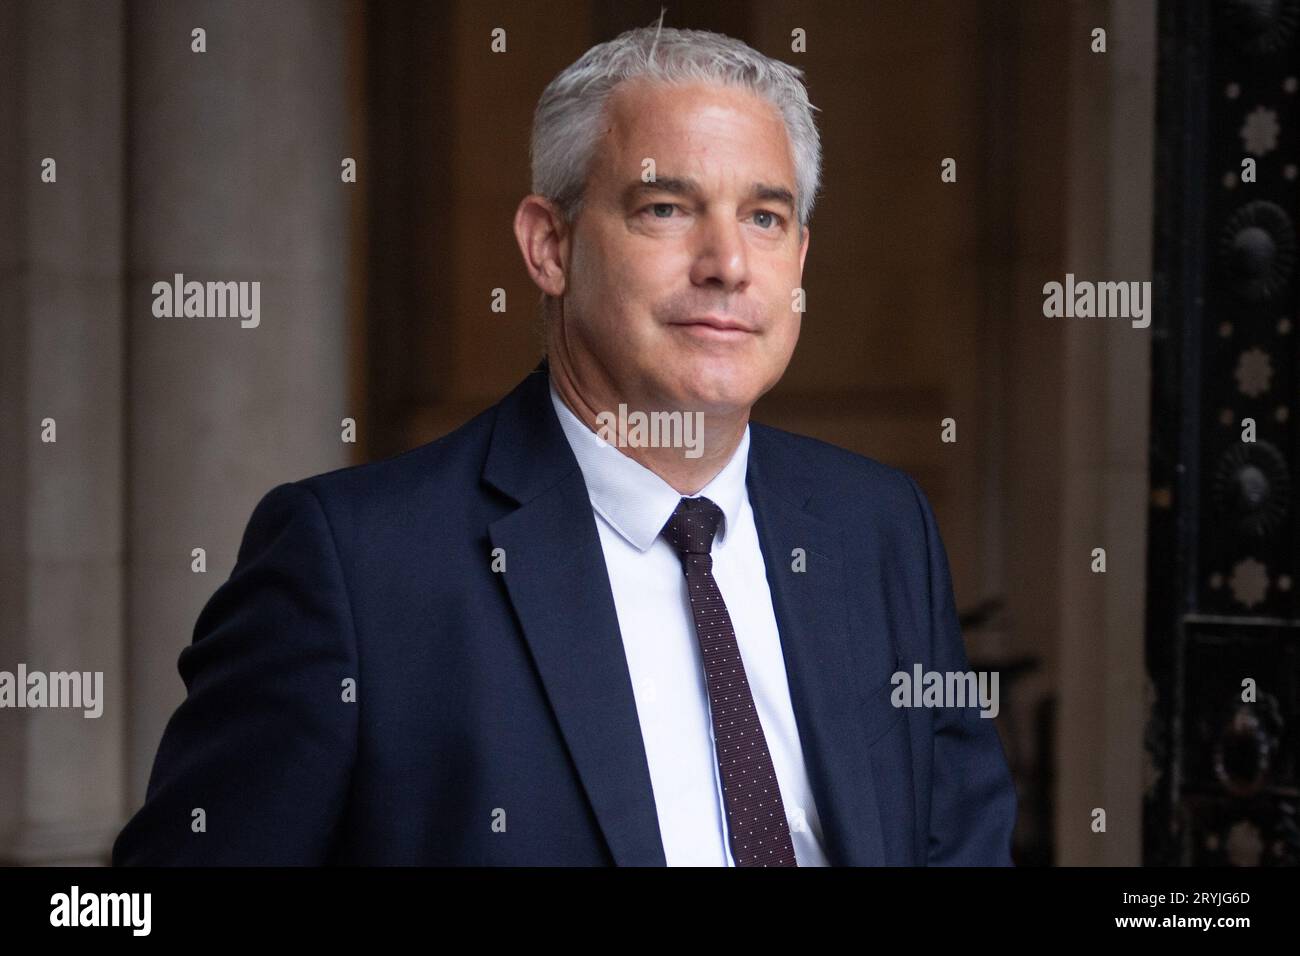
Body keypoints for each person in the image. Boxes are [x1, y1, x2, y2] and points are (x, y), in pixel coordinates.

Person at [113, 23, 1016, 867]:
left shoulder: (879, 528)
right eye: (667, 208)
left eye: (765, 218)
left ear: (801, 263)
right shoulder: (353, 565)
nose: (728, 263)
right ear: (550, 247)